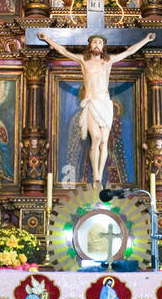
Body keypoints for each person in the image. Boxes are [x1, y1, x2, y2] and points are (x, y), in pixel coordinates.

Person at [37, 30, 154, 187]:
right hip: (92, 102)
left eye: (100, 42)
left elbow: (129, 51)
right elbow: (63, 51)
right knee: (96, 138)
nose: (97, 45)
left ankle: (99, 173)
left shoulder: (108, 61)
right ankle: (96, 174)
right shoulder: (84, 61)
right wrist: (47, 39)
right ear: (90, 46)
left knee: (104, 140)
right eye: (94, 42)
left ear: (103, 46)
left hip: (105, 104)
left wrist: (146, 39)